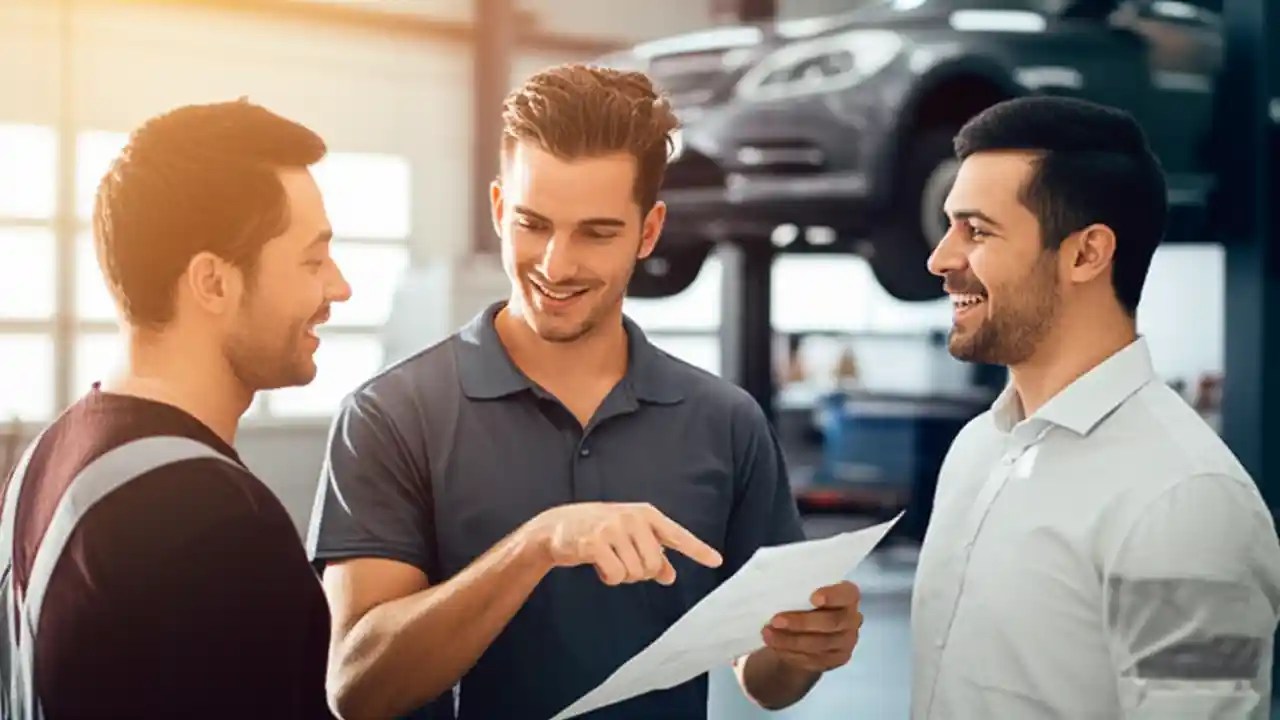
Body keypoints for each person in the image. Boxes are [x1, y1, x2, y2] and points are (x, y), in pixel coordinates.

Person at [307, 64, 863, 720]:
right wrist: (537, 545)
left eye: (596, 233)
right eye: (532, 224)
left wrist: (803, 648)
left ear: (648, 232)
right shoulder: (390, 417)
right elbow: (358, 688)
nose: (556, 264)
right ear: (496, 209)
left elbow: (763, 680)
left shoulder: (725, 422)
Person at [912, 95, 1280, 719]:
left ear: (1086, 253)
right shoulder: (979, 447)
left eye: (976, 230)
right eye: (950, 226)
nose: (941, 258)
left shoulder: (1185, 496)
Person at [0, 100, 351, 718]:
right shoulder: (214, 524)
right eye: (312, 260)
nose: (338, 287)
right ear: (213, 282)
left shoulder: (43, 462)